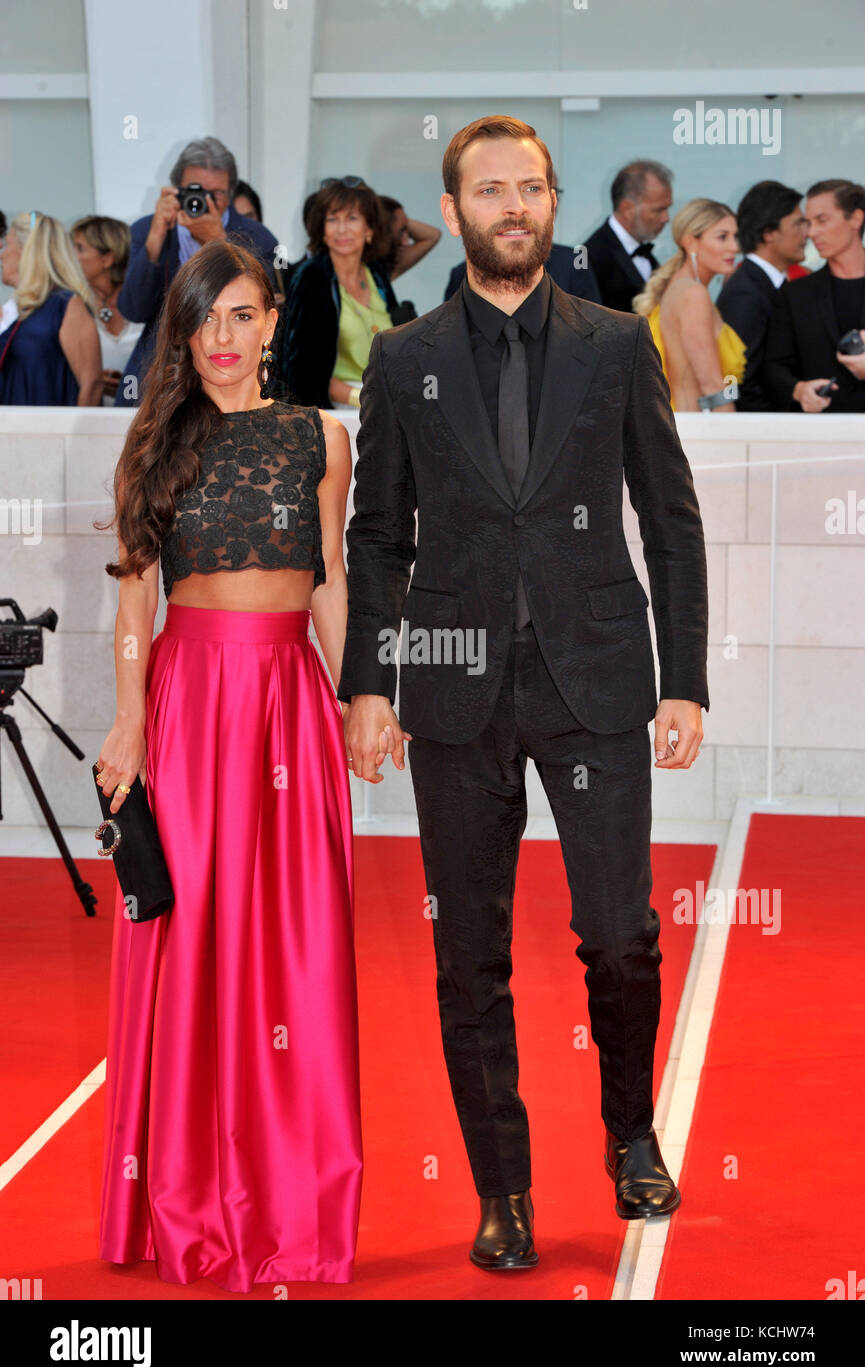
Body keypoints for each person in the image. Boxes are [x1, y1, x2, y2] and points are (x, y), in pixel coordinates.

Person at [339, 115, 709, 1270]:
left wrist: (686, 681)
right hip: (452, 689)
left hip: (594, 678)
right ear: (452, 210)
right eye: (490, 189)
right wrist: (369, 684)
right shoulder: (402, 358)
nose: (513, 205)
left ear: (551, 203)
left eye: (531, 187)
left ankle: (629, 1131)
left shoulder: (616, 344)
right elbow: (377, 534)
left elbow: (670, 518)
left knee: (618, 935)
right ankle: (501, 1191)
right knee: (470, 958)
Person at [94, 238, 361, 1292]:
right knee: (194, 946)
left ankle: (295, 1204)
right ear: (183, 331)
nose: (222, 337)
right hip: (190, 706)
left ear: (272, 322)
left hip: (290, 707)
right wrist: (127, 723)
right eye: (204, 319)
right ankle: (190, 1201)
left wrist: (360, 699)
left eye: (242, 315)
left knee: (297, 950)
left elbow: (330, 579)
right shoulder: (153, 443)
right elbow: (133, 604)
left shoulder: (321, 436)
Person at [114, 136, 279, 406]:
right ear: (177, 189)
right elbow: (134, 310)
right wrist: (155, 238)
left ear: (230, 194)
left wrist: (219, 242)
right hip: (158, 380)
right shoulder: (147, 229)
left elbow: (264, 313)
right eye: (196, 190)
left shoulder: (259, 238)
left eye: (217, 194)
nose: (204, 200)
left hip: (231, 380)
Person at [269, 178, 400, 409]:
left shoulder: (376, 274)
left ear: (369, 228)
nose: (341, 229)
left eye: (352, 218)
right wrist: (362, 398)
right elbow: (302, 371)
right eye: (332, 219)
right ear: (322, 230)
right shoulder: (312, 277)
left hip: (384, 404)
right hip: (335, 411)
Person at [764, 179, 865, 413]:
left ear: (856, 219)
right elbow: (773, 367)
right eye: (808, 223)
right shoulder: (795, 294)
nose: (811, 233)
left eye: (822, 220)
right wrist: (798, 390)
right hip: (822, 429)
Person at [633, 198, 744, 412]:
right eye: (722, 237)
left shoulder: (678, 288)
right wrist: (732, 429)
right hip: (693, 426)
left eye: (735, 236)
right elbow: (712, 386)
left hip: (679, 421)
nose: (735, 247)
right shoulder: (693, 294)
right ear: (691, 243)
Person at [443, 169, 601, 304]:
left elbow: (591, 323)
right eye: (491, 191)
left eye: (534, 189)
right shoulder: (463, 274)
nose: (518, 207)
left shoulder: (575, 261)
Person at [716, 182, 808, 411]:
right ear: (769, 233)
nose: (807, 233)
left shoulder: (771, 285)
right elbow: (735, 379)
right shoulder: (745, 294)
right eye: (798, 224)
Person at [0, 211, 102, 406]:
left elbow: (92, 384)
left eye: (7, 245)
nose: (2, 255)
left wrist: (80, 427)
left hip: (50, 423)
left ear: (26, 251)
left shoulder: (67, 305)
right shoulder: (15, 310)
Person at [72, 216, 145, 406]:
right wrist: (90, 381)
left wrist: (129, 388)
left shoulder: (146, 306)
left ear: (107, 259)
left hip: (140, 416)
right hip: (86, 416)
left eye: (79, 248)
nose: (72, 257)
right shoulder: (72, 307)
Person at [584, 160, 673, 312]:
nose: (666, 218)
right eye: (659, 210)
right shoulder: (589, 257)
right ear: (627, 209)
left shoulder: (646, 254)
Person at [378, 194, 442, 278]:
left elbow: (433, 235)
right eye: (401, 231)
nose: (407, 243)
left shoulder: (382, 271)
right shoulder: (365, 271)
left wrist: (401, 220)